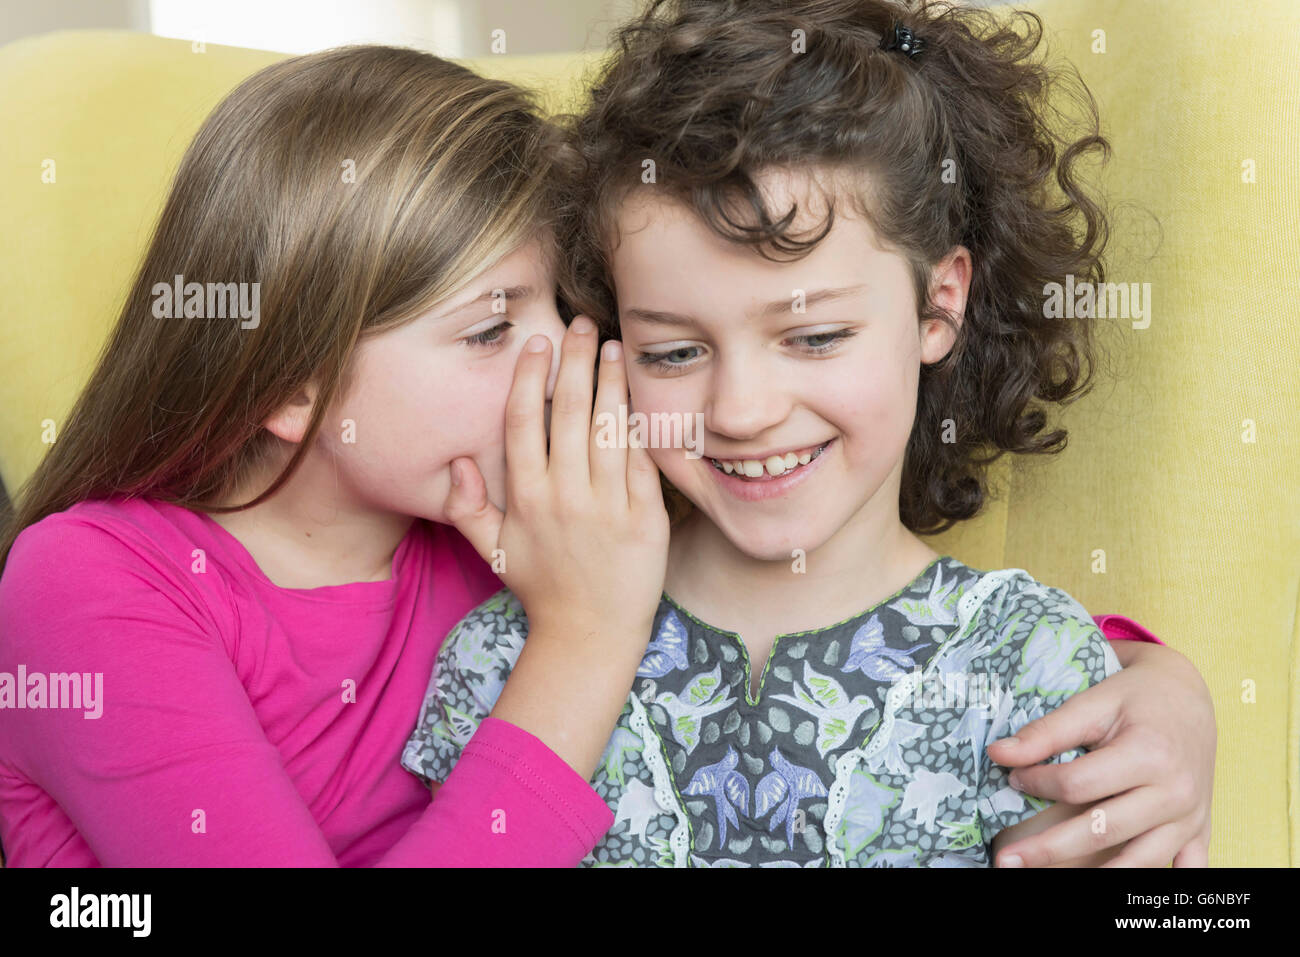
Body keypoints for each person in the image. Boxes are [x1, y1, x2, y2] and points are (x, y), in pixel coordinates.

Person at [402, 0, 1216, 866]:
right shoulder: (503, 661)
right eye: (674, 351)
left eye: (816, 337)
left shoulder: (1032, 665)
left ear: (940, 303)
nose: (743, 410)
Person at [0, 45, 670, 866]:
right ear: (290, 387)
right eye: (490, 330)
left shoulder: (525, 534)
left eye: (560, 308)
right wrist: (585, 637)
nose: (566, 357)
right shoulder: (85, 583)